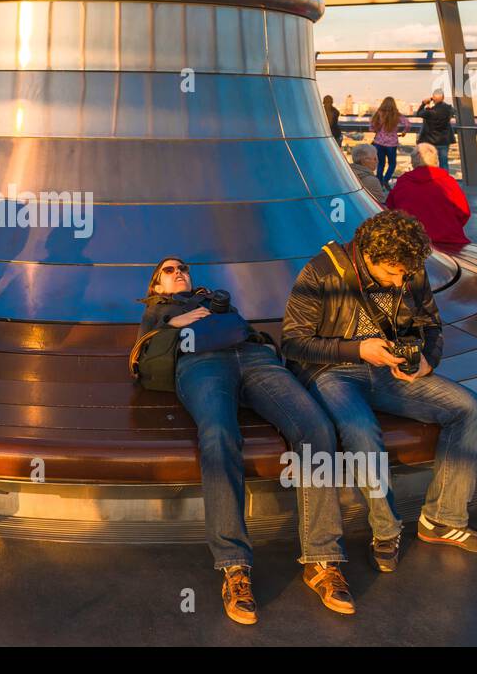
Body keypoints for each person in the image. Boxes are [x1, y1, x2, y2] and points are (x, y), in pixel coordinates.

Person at [136, 257, 355, 624]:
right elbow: (146, 355)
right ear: (156, 286)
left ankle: (322, 559)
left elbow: (246, 330)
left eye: (184, 269)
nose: (179, 273)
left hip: (254, 360)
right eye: (169, 271)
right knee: (219, 434)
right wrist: (176, 324)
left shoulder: (214, 300)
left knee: (316, 428)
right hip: (201, 364)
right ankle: (234, 567)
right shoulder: (157, 312)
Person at [281, 210, 477, 571]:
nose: (401, 282)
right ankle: (385, 529)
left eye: (406, 274)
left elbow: (431, 324)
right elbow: (293, 343)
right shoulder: (321, 270)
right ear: (368, 254)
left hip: (390, 369)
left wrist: (428, 358)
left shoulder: (409, 267)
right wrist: (357, 349)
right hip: (332, 371)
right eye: (392, 273)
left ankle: (442, 519)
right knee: (361, 432)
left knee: (471, 409)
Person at [385, 142, 470, 252]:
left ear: (414, 160)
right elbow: (464, 212)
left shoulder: (403, 182)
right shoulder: (448, 182)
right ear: (436, 160)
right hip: (449, 242)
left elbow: (391, 209)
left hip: (410, 242)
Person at [369, 96, 409, 191]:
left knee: (381, 164)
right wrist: (403, 132)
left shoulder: (379, 114)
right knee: (392, 163)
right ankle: (386, 180)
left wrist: (377, 130)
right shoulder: (396, 115)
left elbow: (371, 127)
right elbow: (407, 124)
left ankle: (379, 183)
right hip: (391, 144)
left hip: (379, 142)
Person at [416, 89, 456, 172]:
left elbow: (418, 113)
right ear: (443, 98)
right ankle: (444, 181)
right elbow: (454, 111)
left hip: (431, 141)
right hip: (444, 141)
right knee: (444, 163)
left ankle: (433, 180)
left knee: (431, 163)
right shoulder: (448, 109)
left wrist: (424, 103)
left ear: (433, 99)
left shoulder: (429, 112)